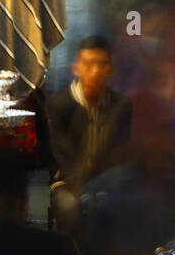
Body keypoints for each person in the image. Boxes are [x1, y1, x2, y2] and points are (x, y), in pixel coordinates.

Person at [48, 35, 133, 234]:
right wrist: (84, 194)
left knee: (126, 209)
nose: (95, 71)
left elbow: (120, 153)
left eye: (101, 64)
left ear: (110, 69)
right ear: (76, 68)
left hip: (108, 183)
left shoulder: (121, 104)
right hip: (67, 184)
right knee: (72, 210)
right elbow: (63, 157)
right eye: (88, 64)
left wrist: (106, 189)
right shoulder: (59, 104)